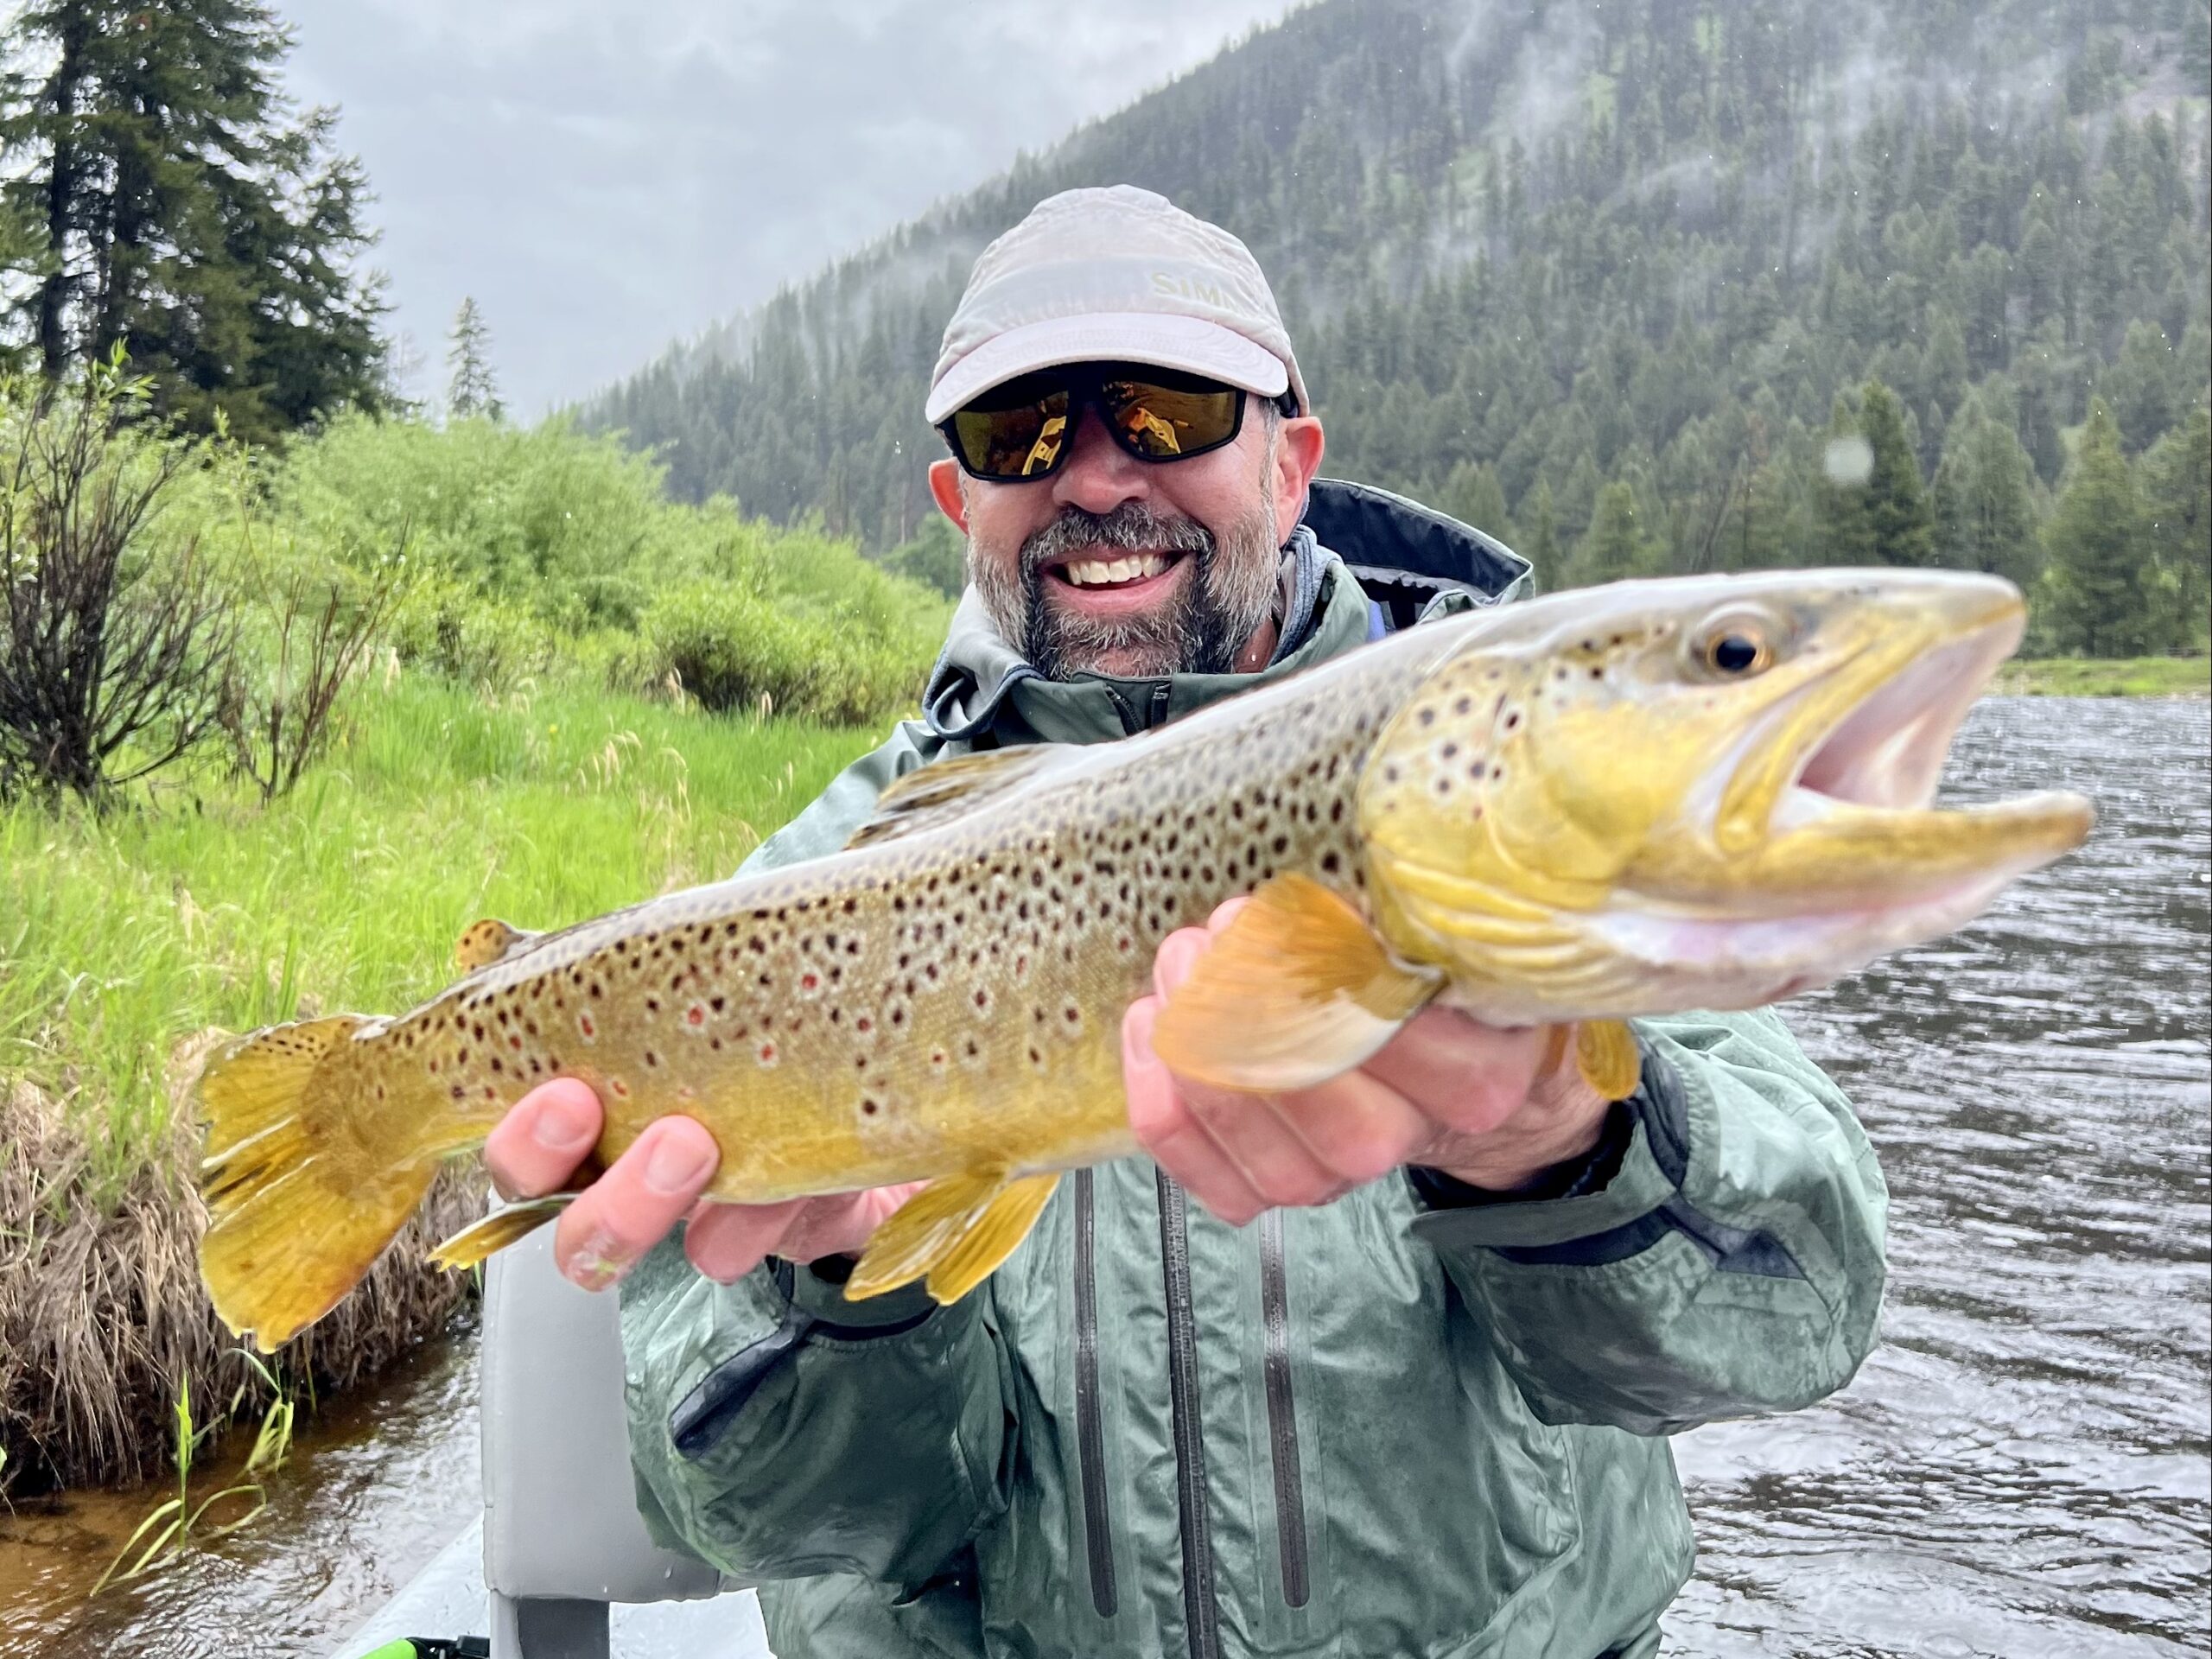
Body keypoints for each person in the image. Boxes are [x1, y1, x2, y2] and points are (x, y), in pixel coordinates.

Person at [482, 185, 1887, 1658]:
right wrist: (844, 1292)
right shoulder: (798, 909)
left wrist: (1554, 1143)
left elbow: (1791, 1315)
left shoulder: (1519, 780)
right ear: (960, 502)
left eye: (1166, 410)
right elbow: (793, 1524)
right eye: (1019, 432)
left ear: (1293, 461)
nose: (1095, 479)